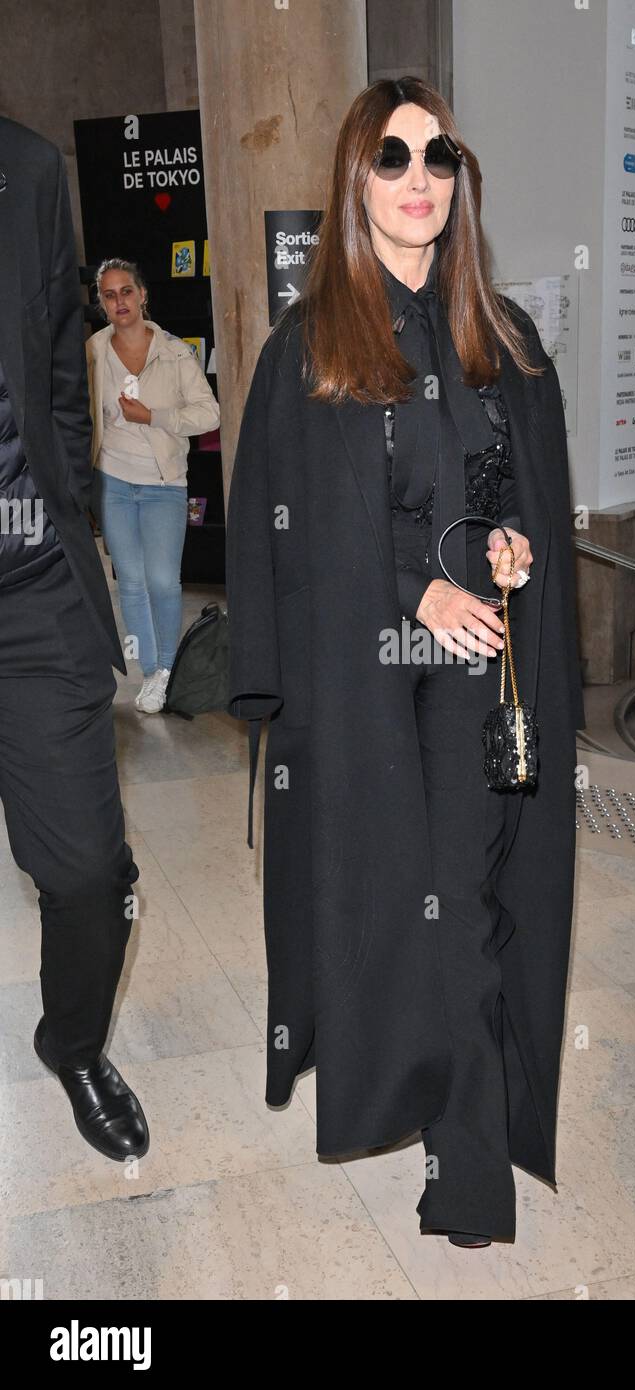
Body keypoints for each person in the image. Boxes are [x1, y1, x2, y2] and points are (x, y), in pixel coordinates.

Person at [226, 76, 584, 1246]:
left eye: (438, 158)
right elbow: (303, 532)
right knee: (404, 913)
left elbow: (489, 504)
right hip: (366, 683)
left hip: (477, 673)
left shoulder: (502, 340)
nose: (419, 179)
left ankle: (468, 1164)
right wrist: (410, 588)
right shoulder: (312, 347)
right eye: (393, 158)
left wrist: (504, 548)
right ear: (355, 179)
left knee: (471, 905)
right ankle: (429, 1101)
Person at [0, 117, 147, 1159]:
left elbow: (58, 350)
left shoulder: (30, 168)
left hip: (32, 587)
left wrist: (69, 507)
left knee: (92, 872)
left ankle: (77, 1042)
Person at [86, 259, 220, 713]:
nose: (119, 301)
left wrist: (154, 417)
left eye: (126, 291)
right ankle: (151, 673)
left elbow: (210, 413)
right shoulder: (92, 352)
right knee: (132, 583)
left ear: (143, 295)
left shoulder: (175, 352)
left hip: (164, 484)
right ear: (101, 304)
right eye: (109, 295)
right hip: (113, 483)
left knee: (163, 580)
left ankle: (166, 666)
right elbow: (80, 413)